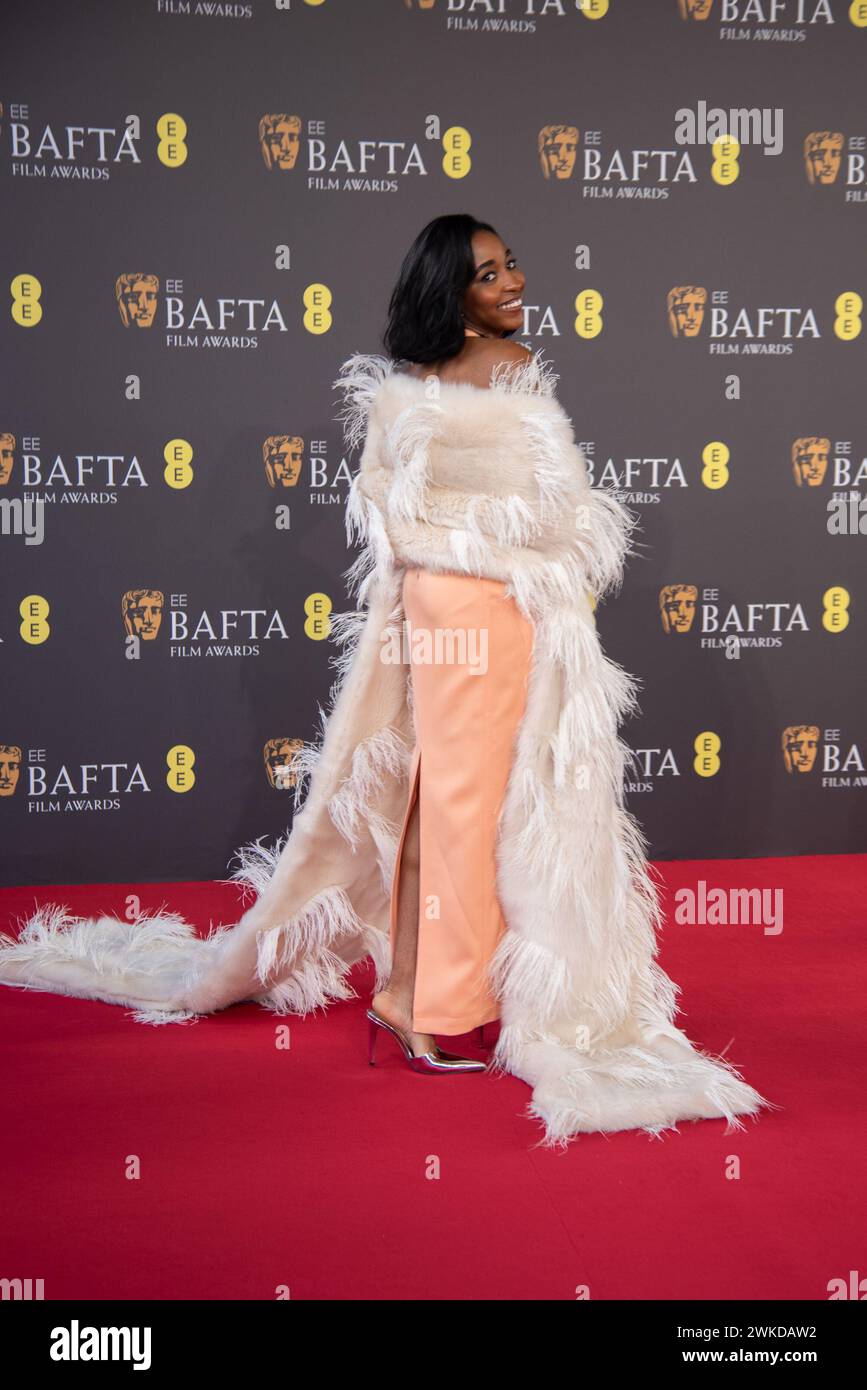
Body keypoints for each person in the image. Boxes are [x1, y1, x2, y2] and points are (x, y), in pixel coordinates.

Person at [0, 214, 774, 1147]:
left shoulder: (397, 397)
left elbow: (387, 513)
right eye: (488, 274)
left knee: (432, 797)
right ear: (450, 295)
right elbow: (563, 512)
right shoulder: (513, 371)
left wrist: (460, 546)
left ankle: (410, 997)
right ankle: (439, 1016)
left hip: (429, 606)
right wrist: (534, 560)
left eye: (511, 264)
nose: (512, 282)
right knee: (474, 806)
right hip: (493, 613)